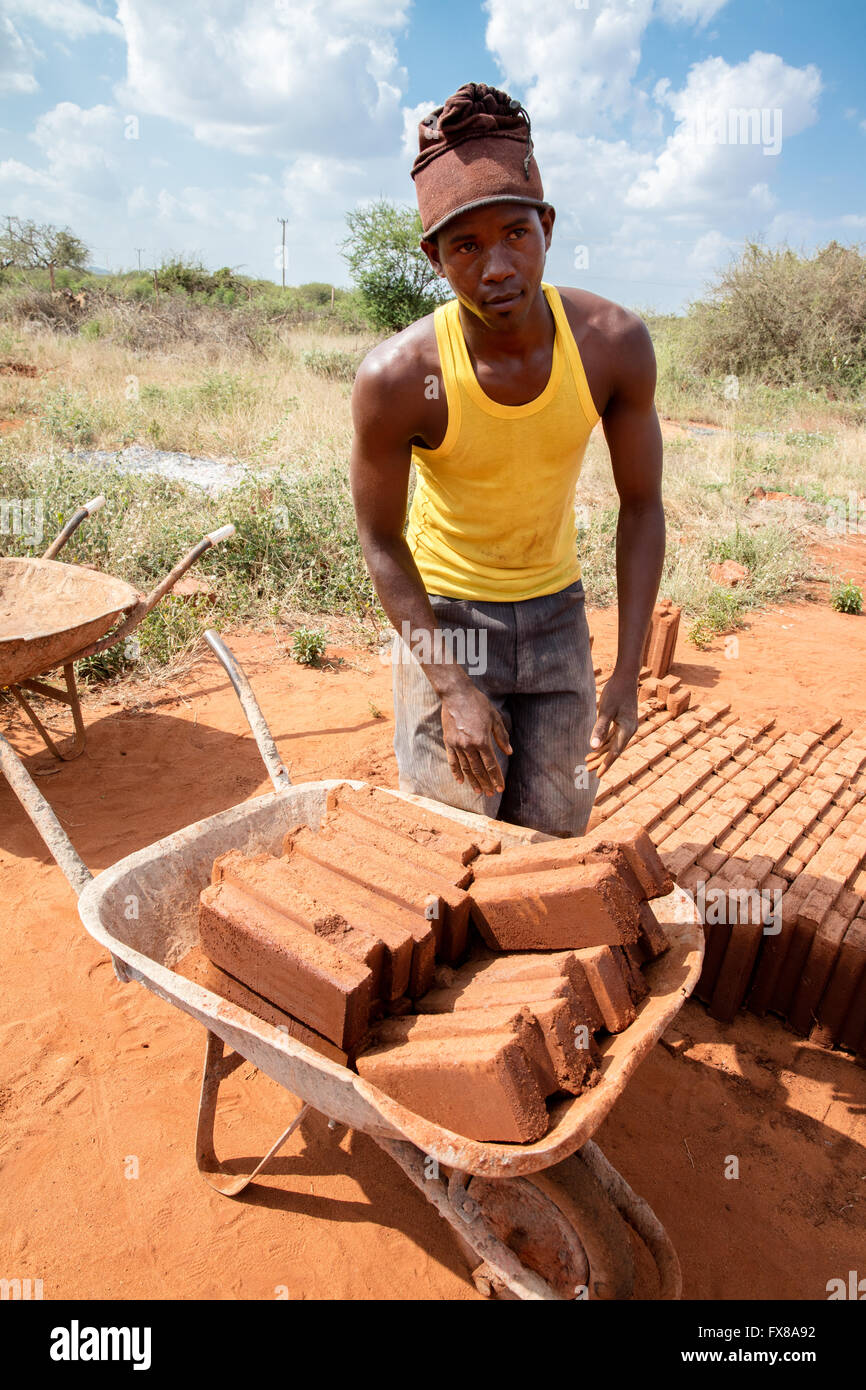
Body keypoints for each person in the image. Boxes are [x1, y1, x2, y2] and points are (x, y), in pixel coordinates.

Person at [350, 82, 664, 838]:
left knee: (555, 837)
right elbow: (381, 539)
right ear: (434, 257)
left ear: (546, 227)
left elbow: (642, 505)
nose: (496, 267)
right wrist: (449, 686)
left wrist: (626, 671)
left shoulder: (612, 344)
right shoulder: (398, 379)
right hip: (450, 618)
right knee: (450, 845)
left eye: (515, 235)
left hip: (559, 617)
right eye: (466, 245)